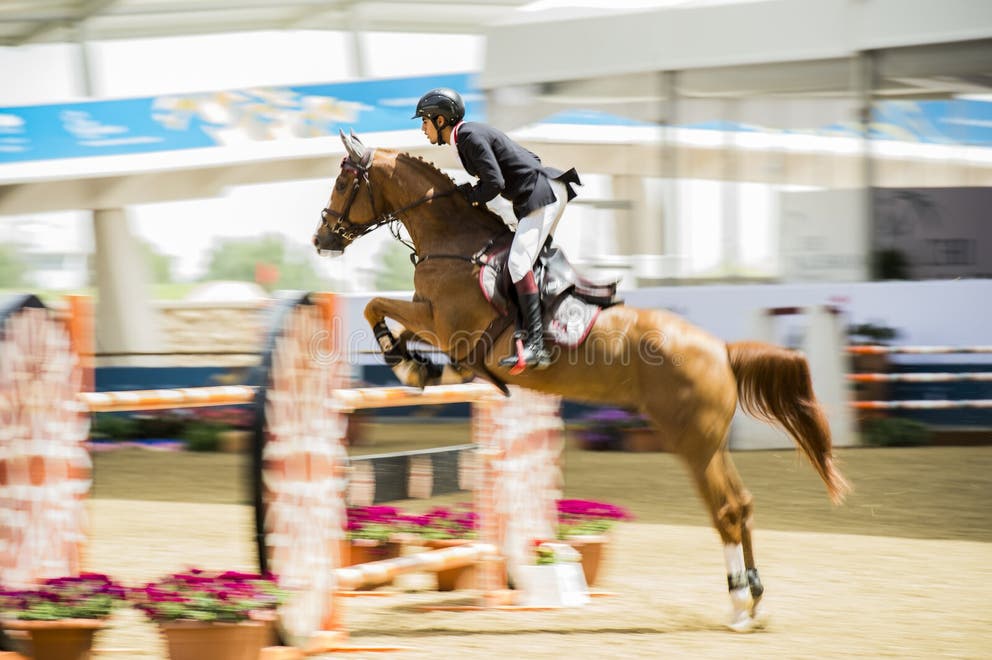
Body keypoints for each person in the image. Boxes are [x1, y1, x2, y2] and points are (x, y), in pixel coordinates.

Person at [413, 87, 581, 372]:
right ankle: (530, 333)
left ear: (441, 120)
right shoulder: (466, 139)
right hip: (540, 191)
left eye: (425, 121)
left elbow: (494, 184)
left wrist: (467, 197)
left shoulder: (468, 137)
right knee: (520, 262)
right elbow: (526, 160)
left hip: (541, 194)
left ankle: (537, 346)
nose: (422, 128)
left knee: (517, 263)